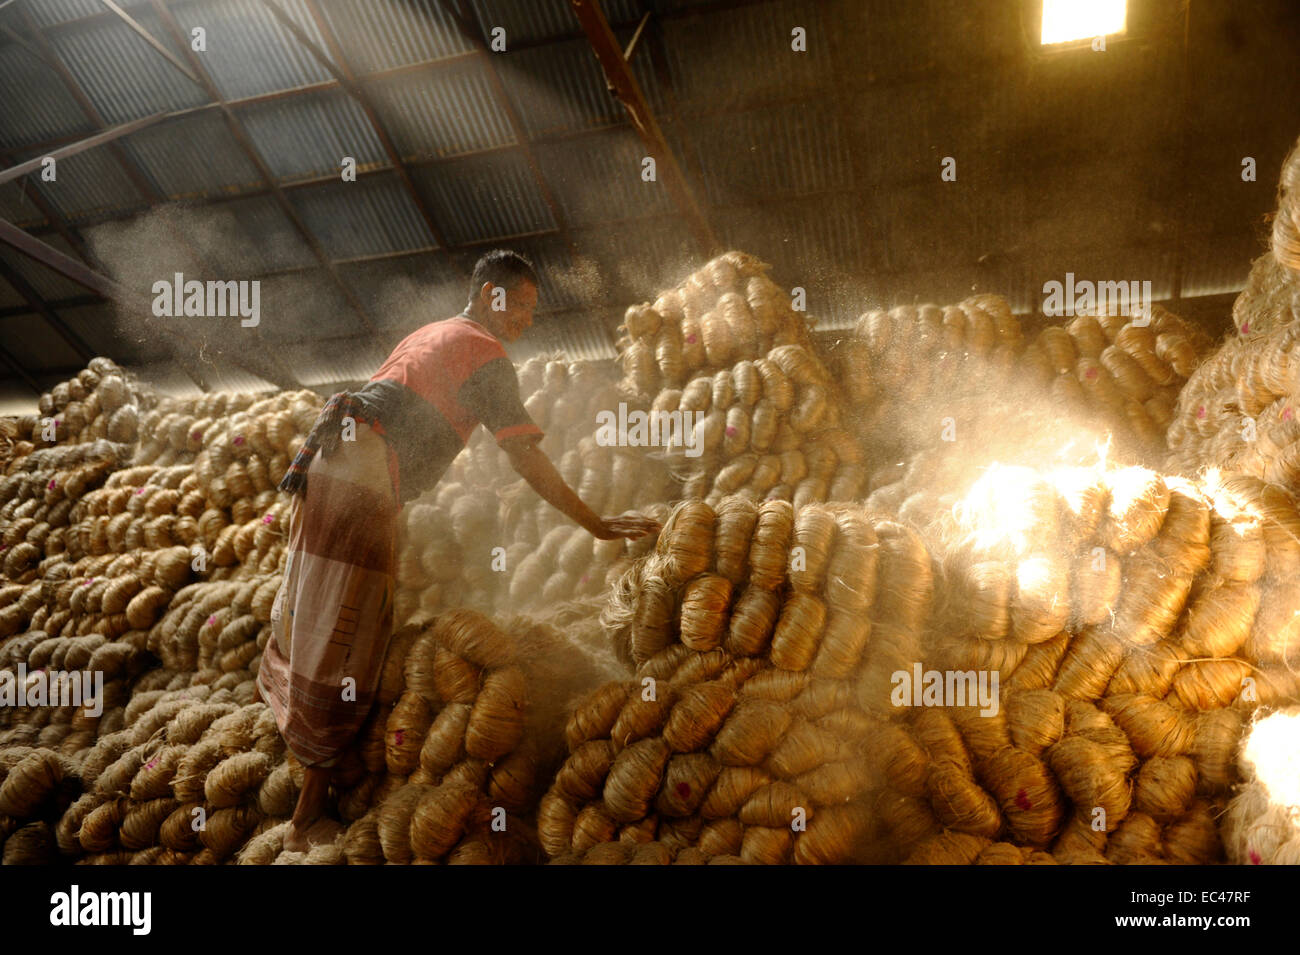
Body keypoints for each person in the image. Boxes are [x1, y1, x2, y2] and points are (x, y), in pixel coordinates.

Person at [257, 249, 660, 852]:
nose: (526, 320)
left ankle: (303, 761)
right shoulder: (485, 352)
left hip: (336, 463)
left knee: (311, 612)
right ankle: (305, 818)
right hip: (363, 474)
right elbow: (524, 455)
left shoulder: (435, 333)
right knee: (346, 630)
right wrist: (595, 522)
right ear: (490, 295)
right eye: (520, 305)